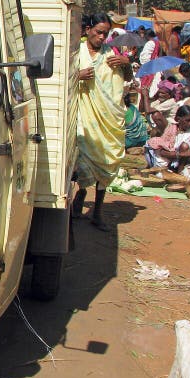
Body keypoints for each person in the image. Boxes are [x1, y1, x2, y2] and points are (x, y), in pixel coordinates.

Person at [72, 13, 129, 231]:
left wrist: (126, 64)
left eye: (106, 34)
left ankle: (97, 212)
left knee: (106, 162)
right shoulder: (75, 52)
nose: (102, 37)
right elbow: (61, 78)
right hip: (83, 117)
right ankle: (80, 194)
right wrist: (77, 75)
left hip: (107, 120)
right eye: (99, 32)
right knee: (81, 163)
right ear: (88, 30)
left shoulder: (110, 55)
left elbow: (128, 79)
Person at [144, 105, 190, 173]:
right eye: (187, 121)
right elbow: (161, 151)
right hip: (169, 159)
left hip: (184, 163)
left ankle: (179, 172)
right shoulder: (172, 129)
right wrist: (179, 154)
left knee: (184, 146)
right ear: (179, 119)